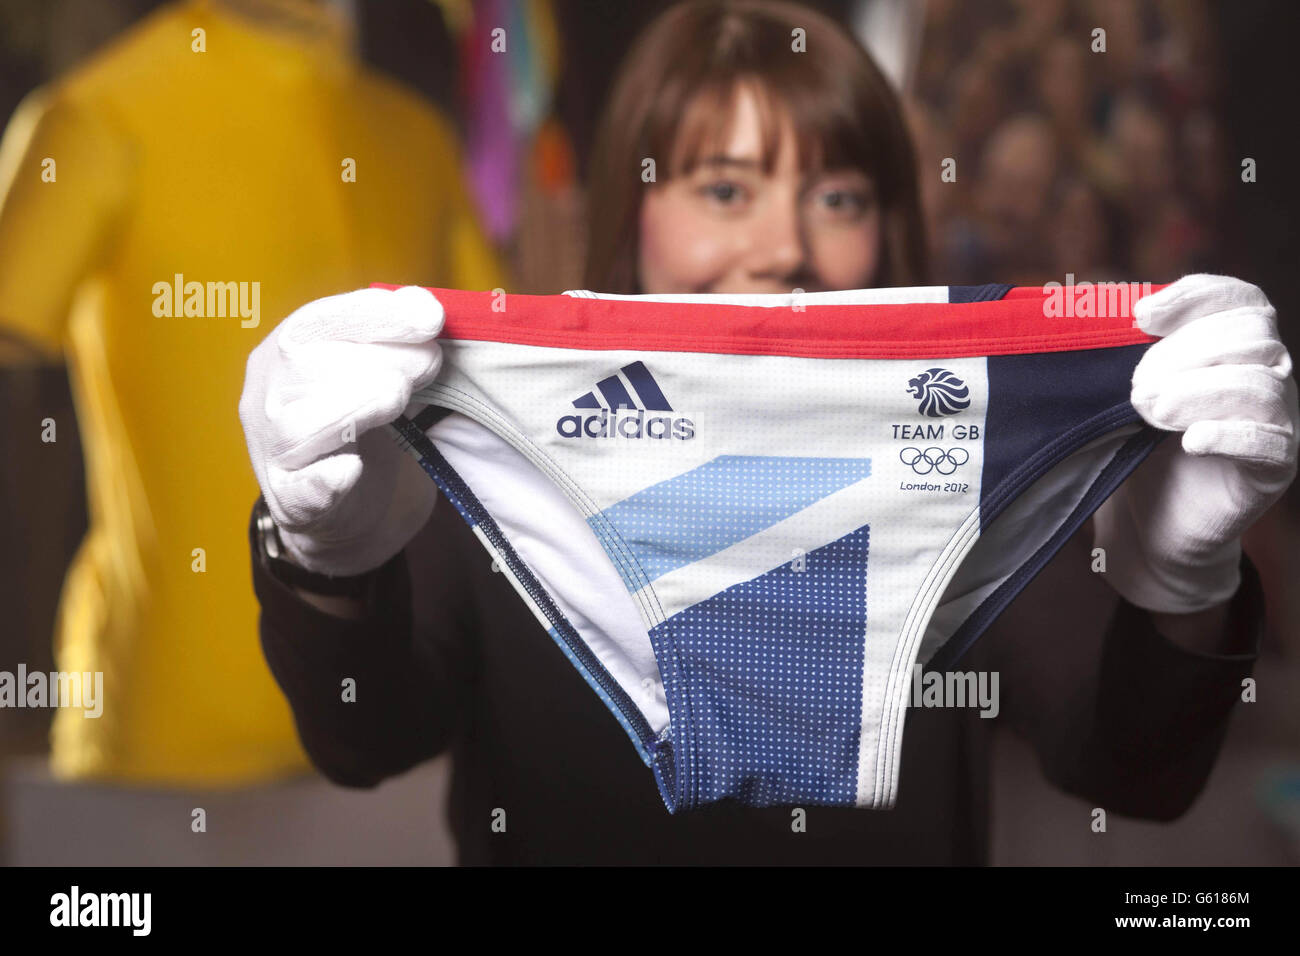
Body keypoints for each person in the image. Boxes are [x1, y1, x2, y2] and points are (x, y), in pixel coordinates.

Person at [238, 0, 1295, 863]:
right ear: (633, 209)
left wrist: (1181, 585)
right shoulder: (501, 438)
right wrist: (325, 563)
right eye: (724, 189)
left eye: (837, 197)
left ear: (889, 225)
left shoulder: (956, 437)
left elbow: (1131, 770)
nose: (782, 246)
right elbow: (366, 738)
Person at [0, 0, 504, 786]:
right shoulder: (96, 117)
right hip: (170, 734)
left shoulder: (416, 135)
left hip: (391, 707)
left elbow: (495, 378)